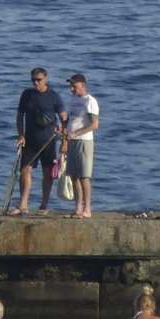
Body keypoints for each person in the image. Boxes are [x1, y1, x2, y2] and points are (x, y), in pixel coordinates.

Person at [11, 68, 67, 215]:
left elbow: (64, 117)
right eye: (33, 80)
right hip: (30, 139)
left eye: (39, 79)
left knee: (47, 173)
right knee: (25, 170)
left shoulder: (53, 96)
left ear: (45, 79)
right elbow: (19, 116)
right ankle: (23, 204)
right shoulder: (27, 94)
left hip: (48, 139)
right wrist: (21, 135)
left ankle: (43, 205)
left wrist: (64, 137)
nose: (36, 82)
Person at [61, 73, 100, 219]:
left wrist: (76, 133)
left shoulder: (90, 101)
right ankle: (78, 208)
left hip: (84, 141)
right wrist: (64, 129)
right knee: (74, 176)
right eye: (71, 86)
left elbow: (94, 124)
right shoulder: (73, 101)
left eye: (75, 86)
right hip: (72, 141)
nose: (72, 89)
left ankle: (87, 209)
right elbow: (70, 120)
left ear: (83, 85)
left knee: (84, 176)